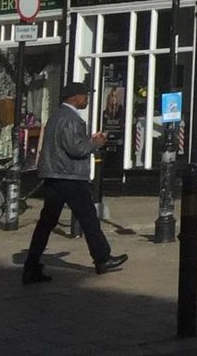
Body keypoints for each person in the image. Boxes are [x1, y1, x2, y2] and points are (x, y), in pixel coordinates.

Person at [22, 81, 127, 283]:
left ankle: (31, 265)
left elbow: (67, 144)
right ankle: (102, 258)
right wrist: (96, 143)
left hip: (54, 175)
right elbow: (77, 150)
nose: (87, 99)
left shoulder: (56, 116)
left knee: (46, 222)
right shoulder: (71, 119)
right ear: (74, 98)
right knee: (88, 218)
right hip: (69, 176)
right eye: (84, 96)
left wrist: (87, 140)